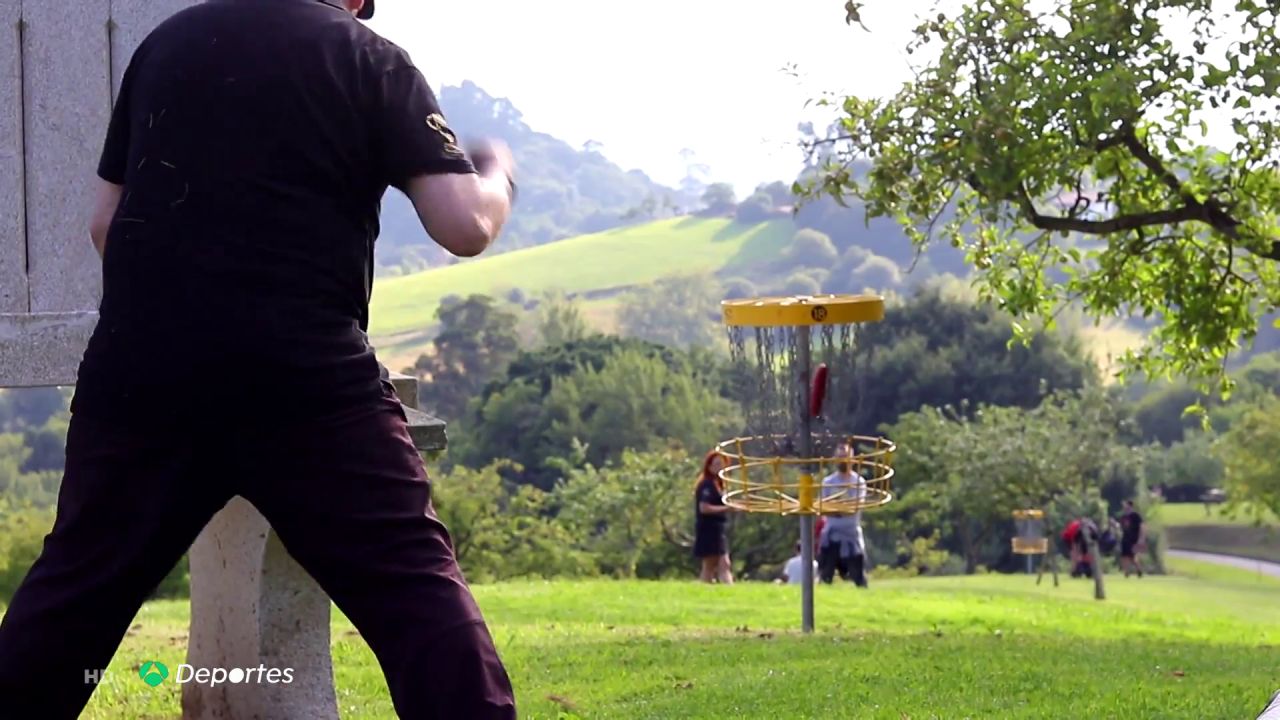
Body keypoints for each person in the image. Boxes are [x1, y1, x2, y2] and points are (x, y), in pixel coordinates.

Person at [0, 1, 518, 718]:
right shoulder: (367, 55)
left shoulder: (165, 45)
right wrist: (496, 170)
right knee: (414, 592)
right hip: (306, 381)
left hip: (141, 373)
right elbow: (464, 224)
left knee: (72, 599)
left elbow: (104, 225)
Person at [817, 444, 868, 588]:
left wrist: (836, 508)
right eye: (839, 457)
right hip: (831, 535)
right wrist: (840, 509)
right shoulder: (828, 482)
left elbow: (855, 507)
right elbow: (822, 508)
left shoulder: (858, 482)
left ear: (852, 459)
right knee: (826, 575)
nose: (842, 460)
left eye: (845, 457)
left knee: (859, 577)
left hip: (851, 535)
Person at [693, 451, 734, 584]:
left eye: (722, 464)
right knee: (715, 564)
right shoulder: (707, 485)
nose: (719, 466)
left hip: (718, 528)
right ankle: (728, 590)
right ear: (709, 466)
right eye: (716, 464)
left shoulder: (719, 485)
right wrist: (727, 508)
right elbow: (704, 508)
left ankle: (709, 591)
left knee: (717, 564)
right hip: (708, 528)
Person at [1118, 500, 1146, 577]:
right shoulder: (1123, 516)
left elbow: (1142, 526)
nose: (1124, 506)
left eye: (1125, 505)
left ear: (1130, 506)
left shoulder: (1136, 515)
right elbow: (1122, 527)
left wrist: (1141, 538)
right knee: (1124, 555)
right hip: (1125, 538)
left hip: (1133, 538)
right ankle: (1127, 572)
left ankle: (1138, 570)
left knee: (1132, 556)